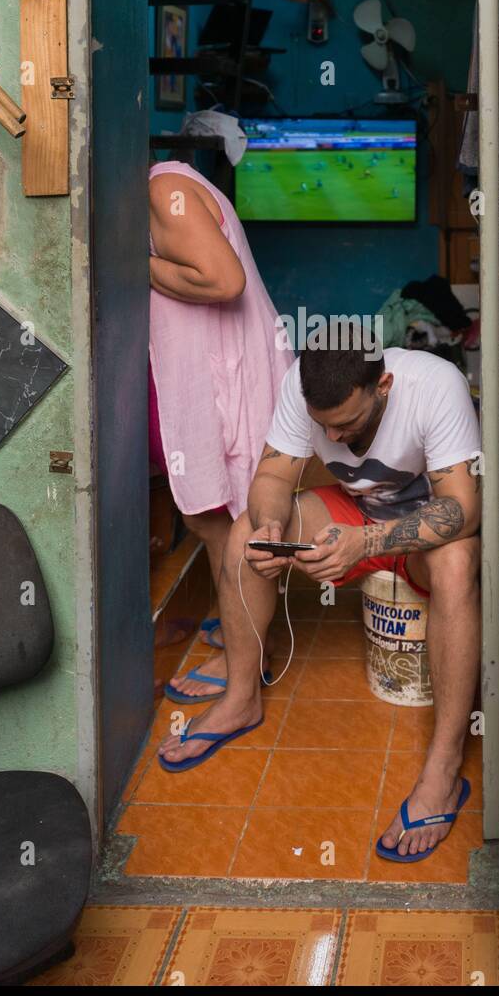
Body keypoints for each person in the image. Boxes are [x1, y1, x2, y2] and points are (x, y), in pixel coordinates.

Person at [159, 332, 481, 861]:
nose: (331, 434)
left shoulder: (434, 385)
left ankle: (443, 771)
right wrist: (268, 524)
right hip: (355, 518)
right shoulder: (300, 386)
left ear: (384, 385)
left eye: (347, 425)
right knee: (244, 534)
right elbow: (272, 475)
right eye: (322, 424)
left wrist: (369, 542)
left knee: (457, 561)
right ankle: (241, 700)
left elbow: (462, 510)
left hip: (423, 534)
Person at [148, 158, 293, 689]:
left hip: (227, 373)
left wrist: (137, 264)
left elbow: (223, 280)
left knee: (224, 520)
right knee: (222, 515)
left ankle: (245, 655)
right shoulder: (172, 184)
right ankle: (252, 635)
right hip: (228, 366)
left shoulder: (165, 190)